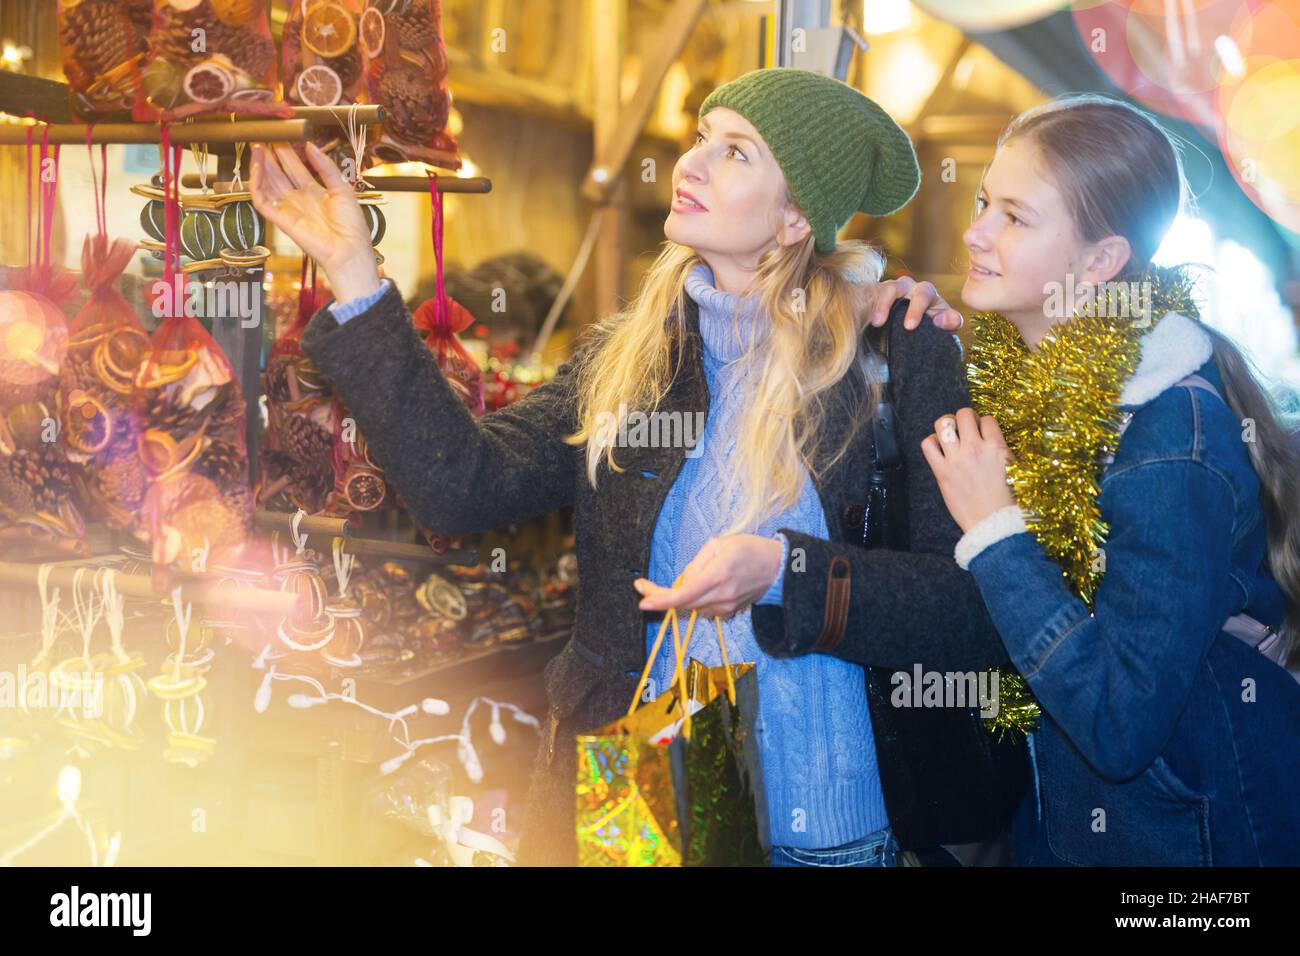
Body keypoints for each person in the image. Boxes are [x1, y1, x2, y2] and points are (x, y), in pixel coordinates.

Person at [251, 67, 1025, 868]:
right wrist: (355, 277)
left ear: (797, 218)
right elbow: (460, 485)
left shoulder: (892, 358)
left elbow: (964, 610)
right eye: (700, 139)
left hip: (833, 837)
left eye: (736, 153)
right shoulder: (628, 361)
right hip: (645, 824)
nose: (689, 164)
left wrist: (785, 572)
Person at [922, 93, 1300, 865]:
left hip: (1181, 842)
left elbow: (1120, 723)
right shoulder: (1018, 390)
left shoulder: (1170, 439)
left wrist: (996, 532)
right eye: (985, 200)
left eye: (1015, 217)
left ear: (1100, 261)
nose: (976, 230)